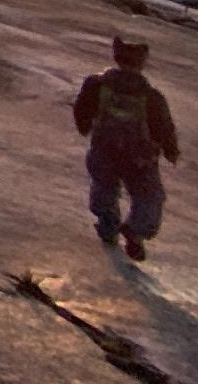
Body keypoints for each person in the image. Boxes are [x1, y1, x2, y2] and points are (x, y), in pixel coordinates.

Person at [73, 35, 180, 261]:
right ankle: (136, 230)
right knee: (149, 197)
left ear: (116, 57)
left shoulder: (97, 84)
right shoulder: (151, 96)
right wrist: (171, 151)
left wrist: (84, 126)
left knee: (104, 187)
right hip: (139, 158)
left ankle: (107, 224)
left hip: (104, 149)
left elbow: (82, 109)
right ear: (142, 62)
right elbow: (164, 127)